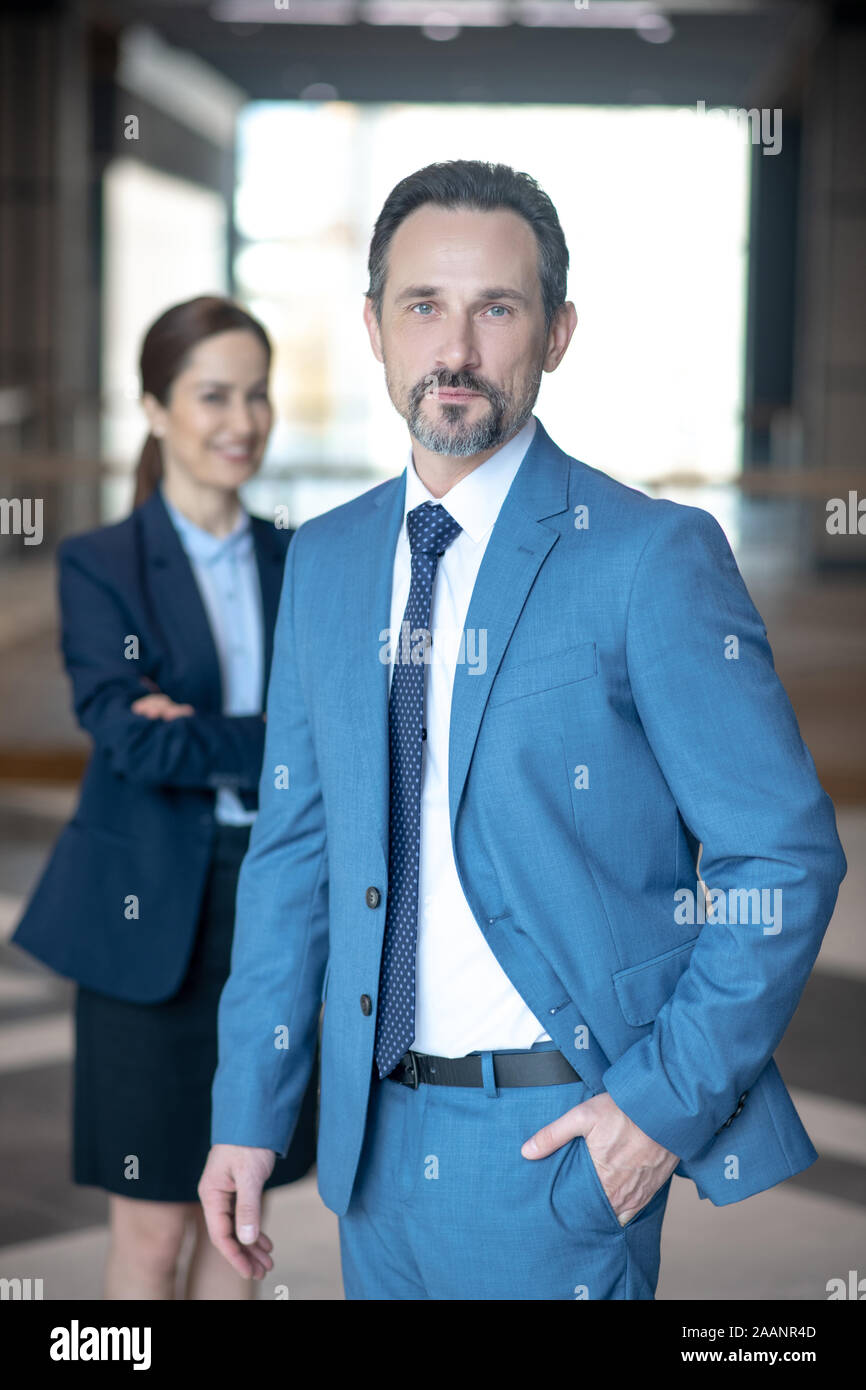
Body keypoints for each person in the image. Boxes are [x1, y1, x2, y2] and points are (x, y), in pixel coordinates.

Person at [199, 163, 847, 1300]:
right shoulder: (329, 558)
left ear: (554, 334)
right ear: (371, 328)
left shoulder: (647, 555)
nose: (454, 347)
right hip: (368, 1145)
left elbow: (780, 856)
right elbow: (294, 854)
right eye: (421, 306)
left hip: (559, 1146)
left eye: (495, 308)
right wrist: (248, 1112)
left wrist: (654, 1109)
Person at [12, 296, 318, 1299]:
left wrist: (198, 732)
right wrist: (274, 744)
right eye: (212, 394)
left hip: (272, 909)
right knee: (152, 1236)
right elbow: (133, 743)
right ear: (153, 407)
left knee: (239, 1225)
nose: (242, 420)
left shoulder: (301, 561)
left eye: (258, 395)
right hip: (148, 923)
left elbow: (339, 741)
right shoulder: (101, 565)